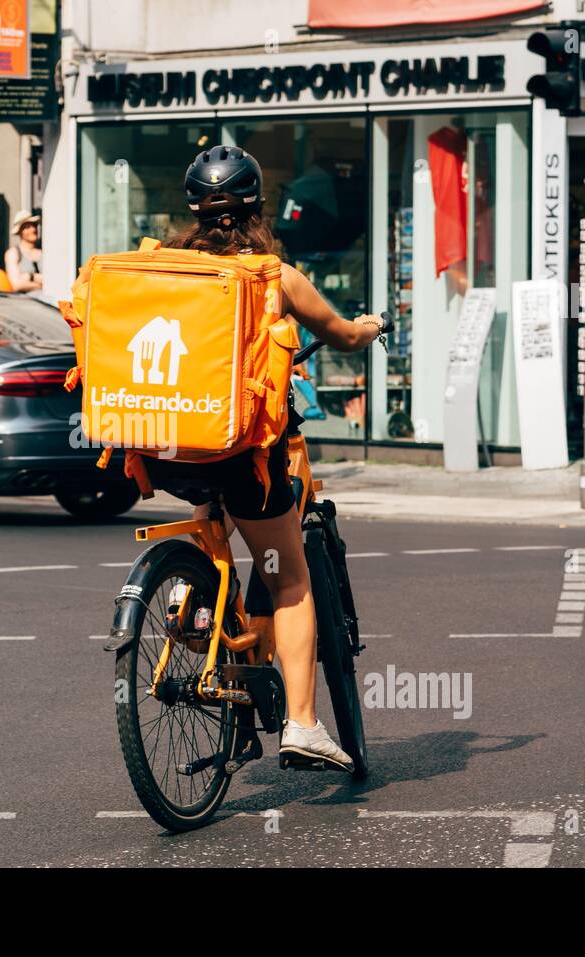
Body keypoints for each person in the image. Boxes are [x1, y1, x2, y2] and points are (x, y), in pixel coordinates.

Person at [146, 146, 385, 772]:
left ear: (194, 210)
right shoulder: (273, 276)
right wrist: (372, 325)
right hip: (244, 457)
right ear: (257, 207)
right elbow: (343, 335)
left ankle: (191, 609)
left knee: (215, 533)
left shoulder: (168, 270)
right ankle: (303, 724)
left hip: (172, 449)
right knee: (291, 578)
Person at [4, 210, 43, 293]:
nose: (33, 229)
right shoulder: (13, 253)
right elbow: (16, 285)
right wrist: (34, 277)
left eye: (34, 225)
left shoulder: (44, 252)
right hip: (24, 303)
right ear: (19, 231)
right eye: (27, 227)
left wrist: (27, 277)